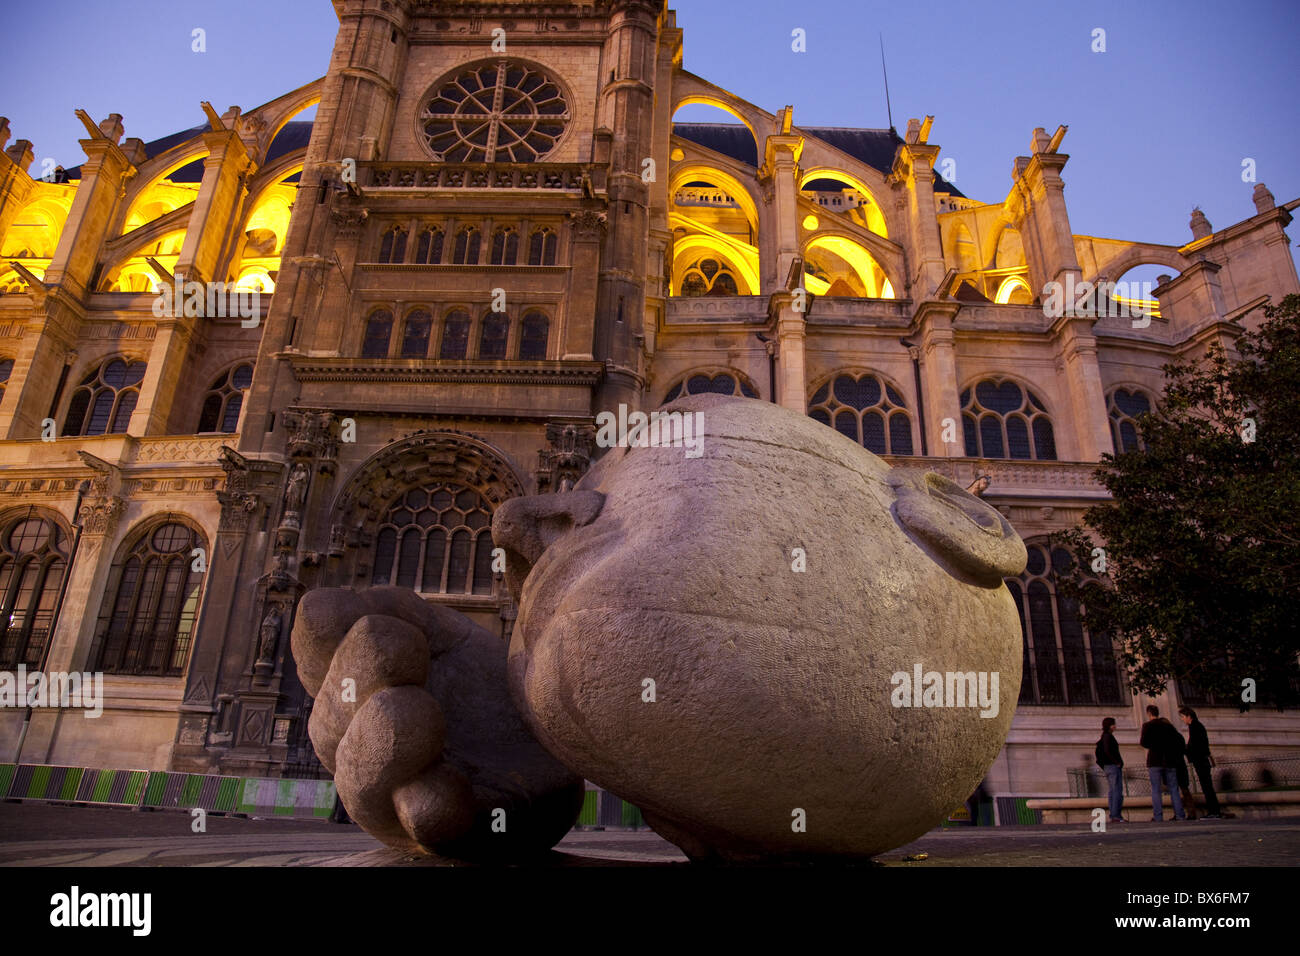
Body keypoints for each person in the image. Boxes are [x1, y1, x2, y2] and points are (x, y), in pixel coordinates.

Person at [1139, 705, 1186, 821]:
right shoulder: (1167, 726)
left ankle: (1158, 816)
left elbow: (1143, 742)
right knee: (1174, 789)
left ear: (1149, 713)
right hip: (1169, 760)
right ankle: (1180, 815)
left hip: (1154, 760)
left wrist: (1153, 745)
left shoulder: (1147, 726)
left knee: (1156, 789)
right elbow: (1177, 740)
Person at [1179, 706, 1222, 819]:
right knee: (1207, 786)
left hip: (1201, 760)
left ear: (1189, 716)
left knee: (1207, 786)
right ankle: (1214, 811)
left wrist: (1185, 749)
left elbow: (1195, 745)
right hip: (1202, 760)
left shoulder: (1195, 727)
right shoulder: (1196, 726)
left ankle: (1214, 811)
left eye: (1183, 717)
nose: (1182, 719)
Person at [1095, 717, 1125, 822]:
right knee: (1117, 791)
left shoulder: (1104, 736)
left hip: (1108, 766)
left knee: (1113, 790)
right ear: (1109, 725)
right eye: (1113, 724)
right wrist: (1116, 762)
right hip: (1112, 766)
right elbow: (1108, 751)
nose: (1115, 726)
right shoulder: (1108, 736)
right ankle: (1116, 815)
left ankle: (1114, 815)